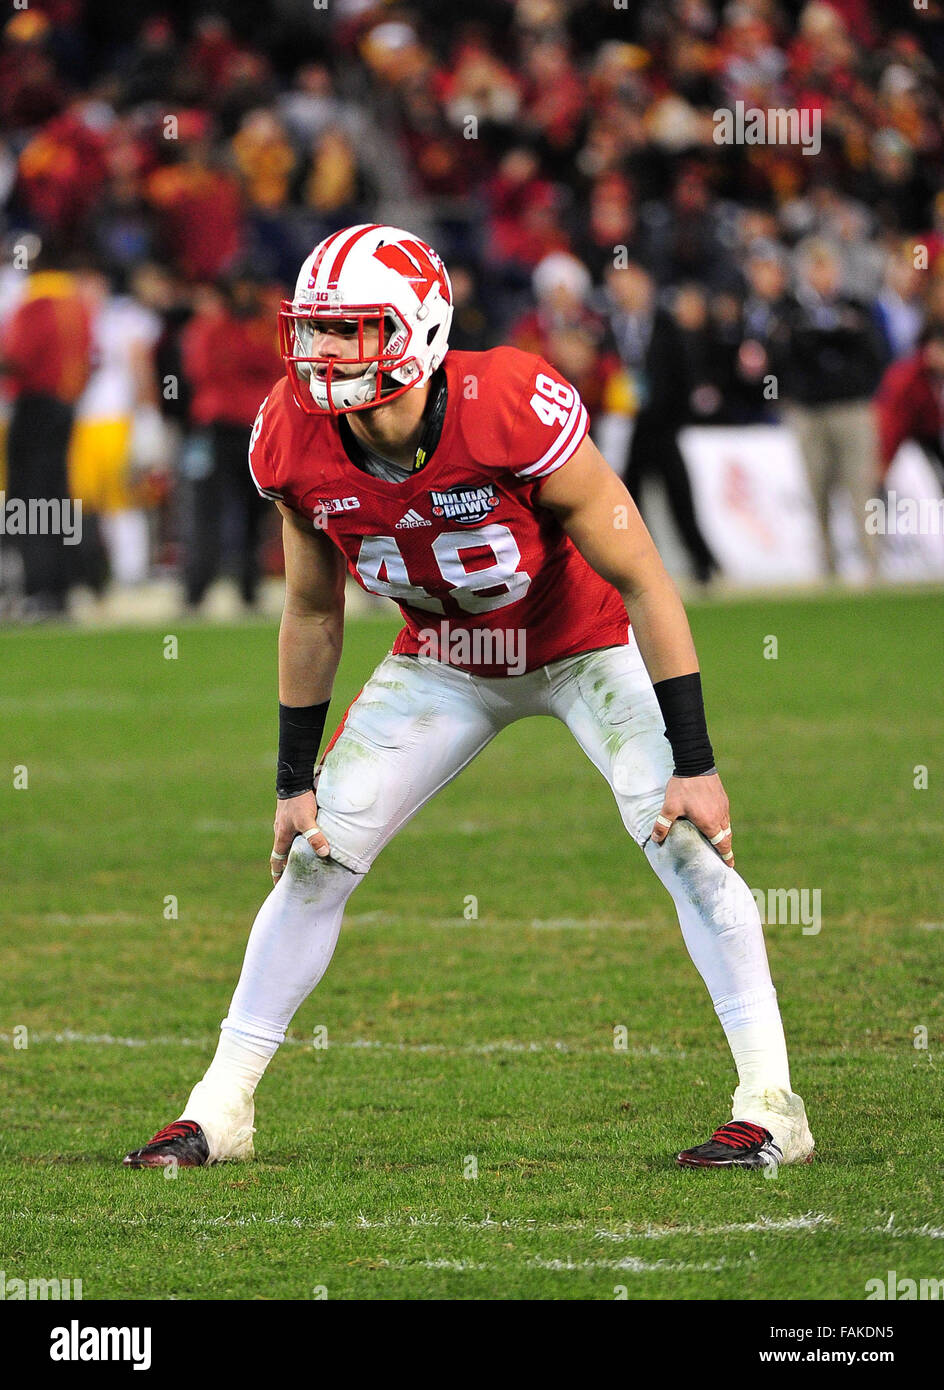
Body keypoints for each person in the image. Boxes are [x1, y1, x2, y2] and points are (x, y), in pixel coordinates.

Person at [124, 224, 814, 1173]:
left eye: (349, 330)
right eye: (314, 329)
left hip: (582, 645)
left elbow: (648, 577)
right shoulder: (290, 432)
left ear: (417, 328)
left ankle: (772, 1107)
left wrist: (697, 764)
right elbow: (313, 613)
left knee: (685, 840)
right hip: (444, 658)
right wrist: (293, 779)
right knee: (317, 856)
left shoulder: (511, 404)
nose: (320, 353)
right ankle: (220, 1109)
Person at [769, 239, 887, 579]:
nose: (822, 275)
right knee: (817, 492)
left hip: (852, 409)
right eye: (815, 267)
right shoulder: (790, 311)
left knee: (861, 489)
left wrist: (855, 384)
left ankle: (872, 565)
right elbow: (781, 358)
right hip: (810, 413)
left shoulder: (856, 307)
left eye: (827, 267)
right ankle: (827, 568)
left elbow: (877, 355)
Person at [604, 260, 719, 584]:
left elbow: (685, 374)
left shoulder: (667, 325)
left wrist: (675, 419)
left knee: (680, 499)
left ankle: (703, 563)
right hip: (625, 431)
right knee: (629, 505)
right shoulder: (607, 327)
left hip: (663, 428)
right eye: (617, 285)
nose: (624, 292)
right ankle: (641, 571)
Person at [0, 253, 91, 616]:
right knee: (57, 496)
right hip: (65, 409)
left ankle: (38, 587)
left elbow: (17, 355)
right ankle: (61, 587)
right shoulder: (78, 305)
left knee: (29, 500)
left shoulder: (35, 304)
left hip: (35, 407)